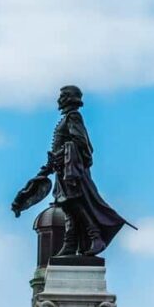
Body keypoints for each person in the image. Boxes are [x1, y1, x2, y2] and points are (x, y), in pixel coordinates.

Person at [34, 85, 132, 256]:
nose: (59, 99)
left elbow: (80, 142)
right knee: (67, 206)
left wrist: (60, 154)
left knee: (75, 203)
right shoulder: (67, 118)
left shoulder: (73, 117)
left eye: (62, 96)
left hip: (71, 170)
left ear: (69, 98)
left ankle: (96, 237)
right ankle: (70, 244)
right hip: (62, 169)